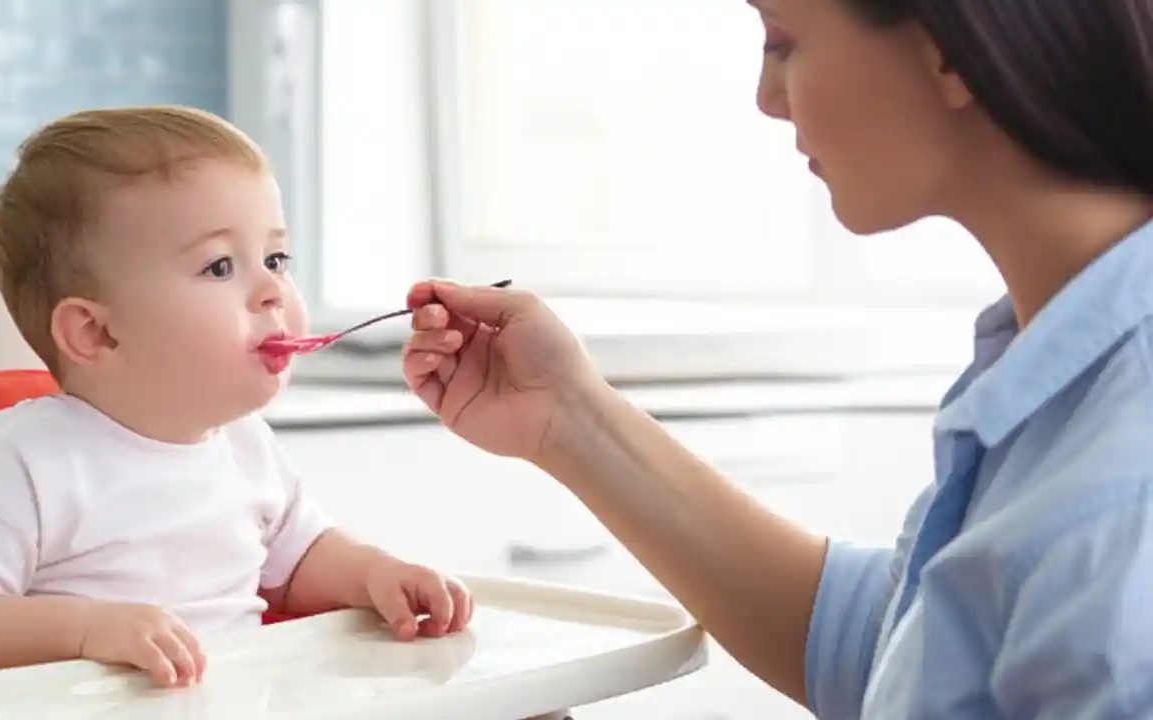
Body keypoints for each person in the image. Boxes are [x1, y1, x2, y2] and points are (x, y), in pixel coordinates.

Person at [400, 1, 1153, 717]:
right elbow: (905, 653)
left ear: (949, 49)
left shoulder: (1123, 492)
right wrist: (566, 417)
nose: (767, 97)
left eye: (783, 39)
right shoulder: (1057, 375)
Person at [0, 106, 472, 689]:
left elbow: (299, 559)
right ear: (98, 332)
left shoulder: (247, 444)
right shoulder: (23, 456)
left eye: (275, 259)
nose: (273, 290)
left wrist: (376, 574)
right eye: (220, 266)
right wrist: (90, 629)